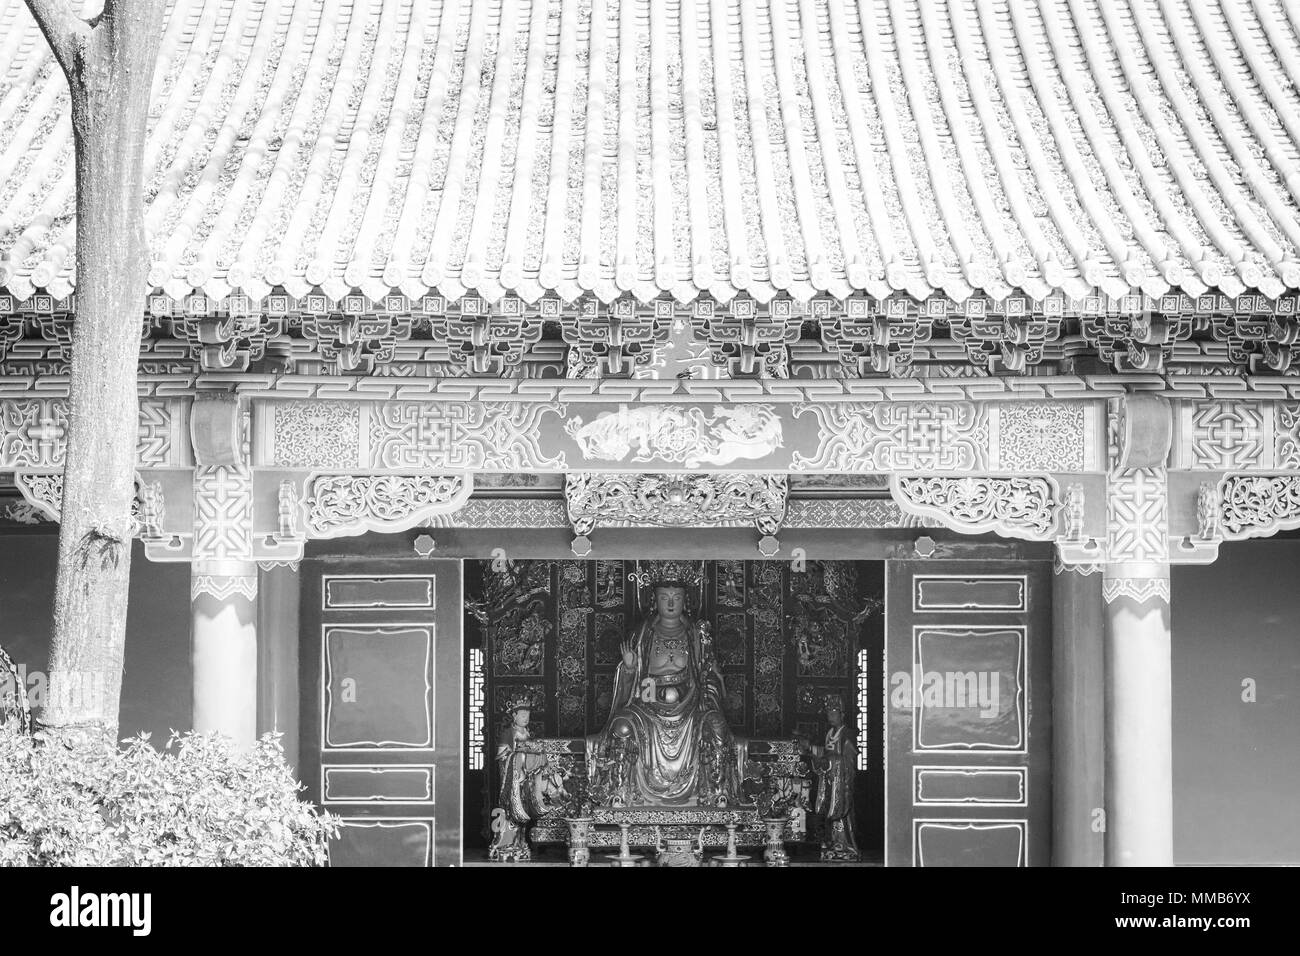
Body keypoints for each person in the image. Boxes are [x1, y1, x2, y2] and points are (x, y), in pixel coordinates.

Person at [589, 581, 738, 806]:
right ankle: (619, 793)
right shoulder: (642, 633)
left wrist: (706, 694)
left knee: (715, 725)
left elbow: (709, 674)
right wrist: (629, 667)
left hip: (689, 704)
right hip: (648, 702)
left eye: (676, 597)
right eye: (664, 597)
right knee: (622, 726)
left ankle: (716, 793)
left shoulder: (697, 635)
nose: (670, 603)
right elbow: (631, 680)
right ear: (654, 600)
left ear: (685, 601)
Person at [488, 696, 545, 861]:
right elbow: (502, 756)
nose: (526, 718)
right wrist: (519, 754)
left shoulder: (528, 733)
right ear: (514, 716)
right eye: (522, 715)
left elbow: (533, 755)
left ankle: (520, 842)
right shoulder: (508, 733)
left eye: (527, 715)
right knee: (510, 812)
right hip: (512, 780)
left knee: (523, 811)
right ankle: (506, 844)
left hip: (524, 779)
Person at [810, 699, 860, 862]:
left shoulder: (847, 733)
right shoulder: (829, 733)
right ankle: (831, 843)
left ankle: (846, 846)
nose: (830, 716)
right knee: (828, 810)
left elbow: (849, 759)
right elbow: (824, 754)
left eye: (834, 713)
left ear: (842, 715)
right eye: (828, 714)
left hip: (842, 781)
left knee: (841, 813)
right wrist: (812, 751)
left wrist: (832, 761)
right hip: (830, 781)